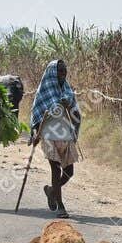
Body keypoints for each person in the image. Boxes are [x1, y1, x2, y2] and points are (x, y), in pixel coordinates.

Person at [29, 59, 81, 213]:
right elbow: (37, 115)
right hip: (48, 134)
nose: (63, 74)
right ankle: (61, 206)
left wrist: (75, 131)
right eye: (60, 71)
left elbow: (77, 115)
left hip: (65, 134)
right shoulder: (43, 91)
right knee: (55, 169)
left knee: (69, 172)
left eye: (64, 71)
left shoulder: (67, 91)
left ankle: (51, 191)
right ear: (52, 73)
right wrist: (35, 135)